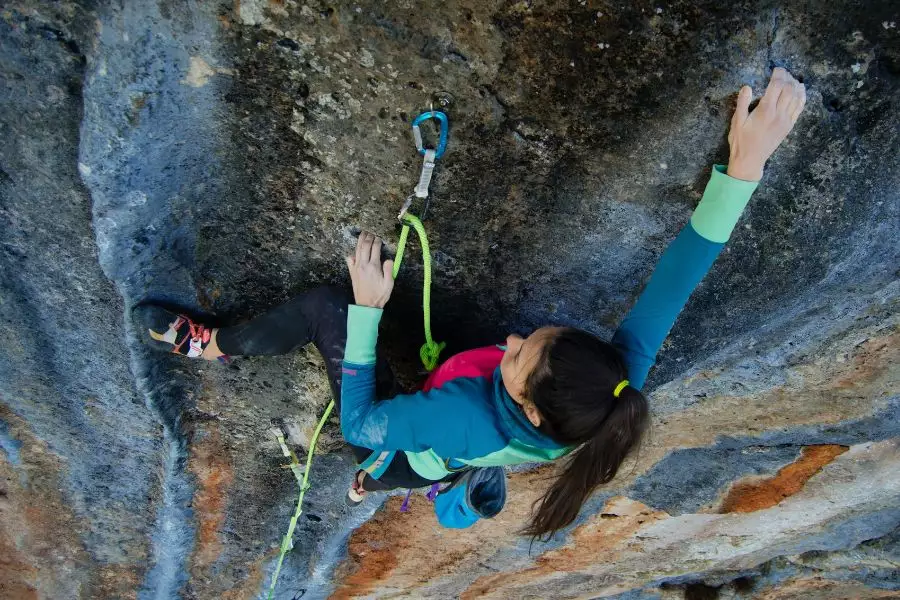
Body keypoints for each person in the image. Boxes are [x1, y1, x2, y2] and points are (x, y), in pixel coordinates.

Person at [139, 68, 806, 538]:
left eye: (519, 356)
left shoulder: (466, 417)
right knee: (396, 469)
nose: (513, 340)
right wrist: (745, 165)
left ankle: (210, 346)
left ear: (525, 405)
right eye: (537, 336)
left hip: (418, 440)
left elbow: (365, 425)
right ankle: (374, 487)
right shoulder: (605, 386)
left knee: (326, 310)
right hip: (441, 452)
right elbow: (679, 277)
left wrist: (368, 309)